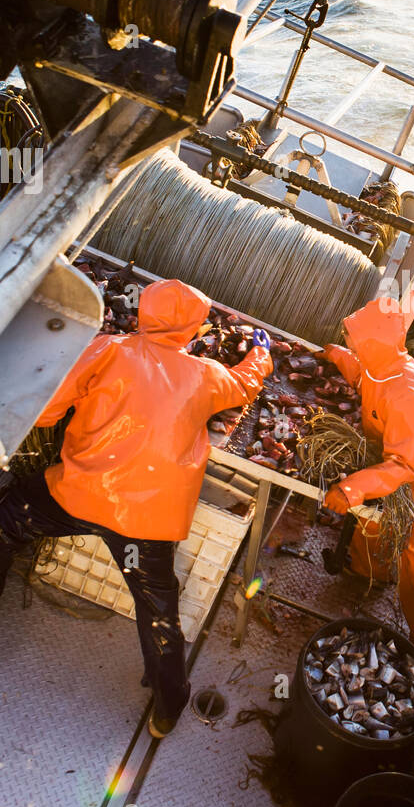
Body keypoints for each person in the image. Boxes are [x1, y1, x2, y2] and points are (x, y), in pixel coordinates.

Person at [0, 278, 272, 736]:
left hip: (74, 495)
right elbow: (245, 385)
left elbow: (45, 412)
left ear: (143, 312)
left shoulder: (108, 350)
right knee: (157, 610)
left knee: (5, 525)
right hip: (146, 524)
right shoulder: (206, 375)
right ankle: (168, 707)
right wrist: (261, 353)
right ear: (192, 329)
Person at [322, 291, 414, 659]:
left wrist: (351, 488)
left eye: (352, 338)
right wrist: (338, 356)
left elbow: (403, 467)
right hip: (394, 453)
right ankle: (371, 572)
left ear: (371, 343)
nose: (349, 339)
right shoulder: (381, 364)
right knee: (377, 514)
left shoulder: (407, 396)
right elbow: (365, 378)